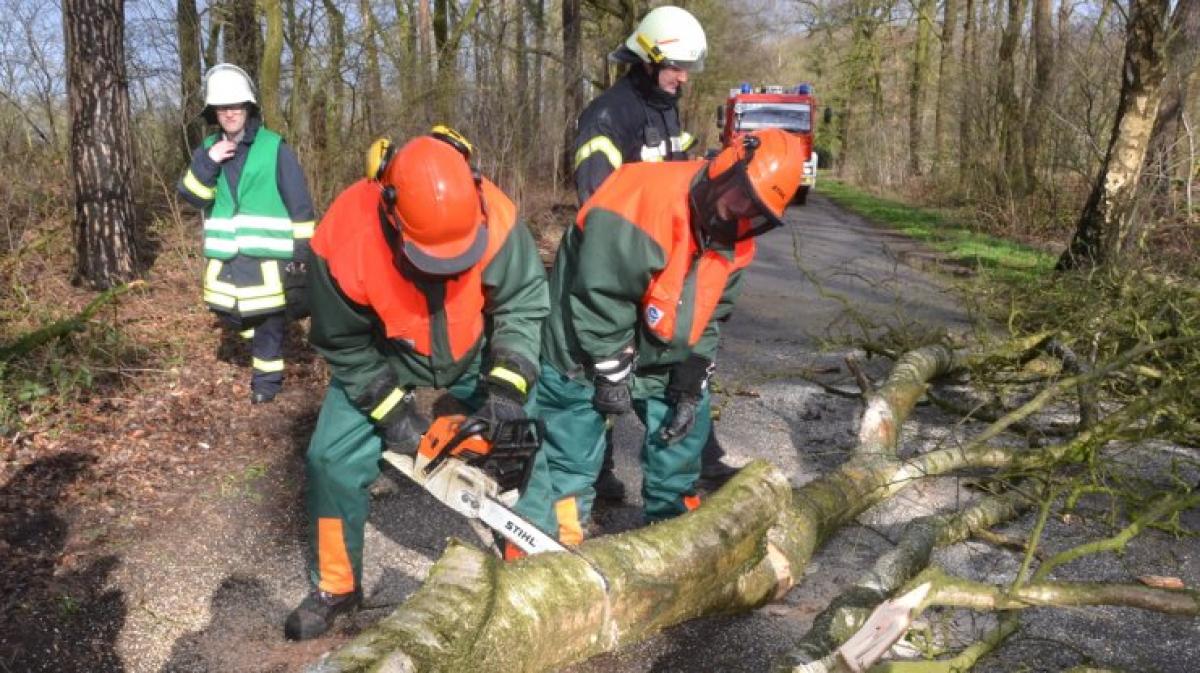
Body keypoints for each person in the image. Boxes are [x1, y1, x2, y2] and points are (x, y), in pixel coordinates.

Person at [284, 130, 549, 640]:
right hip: (388, 351)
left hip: (474, 347)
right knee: (330, 458)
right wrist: (394, 416)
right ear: (392, 214)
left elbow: (522, 304)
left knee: (523, 437)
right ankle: (336, 586)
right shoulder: (345, 236)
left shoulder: (496, 214)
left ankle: (532, 562)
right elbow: (343, 343)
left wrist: (507, 389)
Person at [512, 128, 805, 548]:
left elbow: (711, 312)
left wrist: (693, 375)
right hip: (583, 342)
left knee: (683, 426)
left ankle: (671, 535)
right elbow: (599, 297)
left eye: (753, 211)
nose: (738, 213)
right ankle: (558, 542)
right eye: (739, 197)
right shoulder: (637, 201)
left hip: (661, 344)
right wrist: (611, 370)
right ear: (724, 170)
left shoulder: (735, 240)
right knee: (572, 444)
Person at [571, 5, 736, 501]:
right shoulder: (607, 116)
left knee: (678, 362)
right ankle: (596, 476)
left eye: (687, 68)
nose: (683, 78)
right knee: (606, 370)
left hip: (664, 257)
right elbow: (598, 208)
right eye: (676, 67)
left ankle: (701, 462)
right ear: (647, 59)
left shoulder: (665, 106)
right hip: (621, 265)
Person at [177, 63, 316, 404]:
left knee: (268, 322)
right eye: (222, 107)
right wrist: (208, 162)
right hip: (226, 259)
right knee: (231, 314)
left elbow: (300, 205)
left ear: (248, 107)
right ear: (214, 113)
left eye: (236, 106)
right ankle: (263, 359)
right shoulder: (208, 149)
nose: (230, 113)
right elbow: (192, 197)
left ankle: (266, 385)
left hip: (267, 258)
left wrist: (301, 257)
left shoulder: (274, 147)